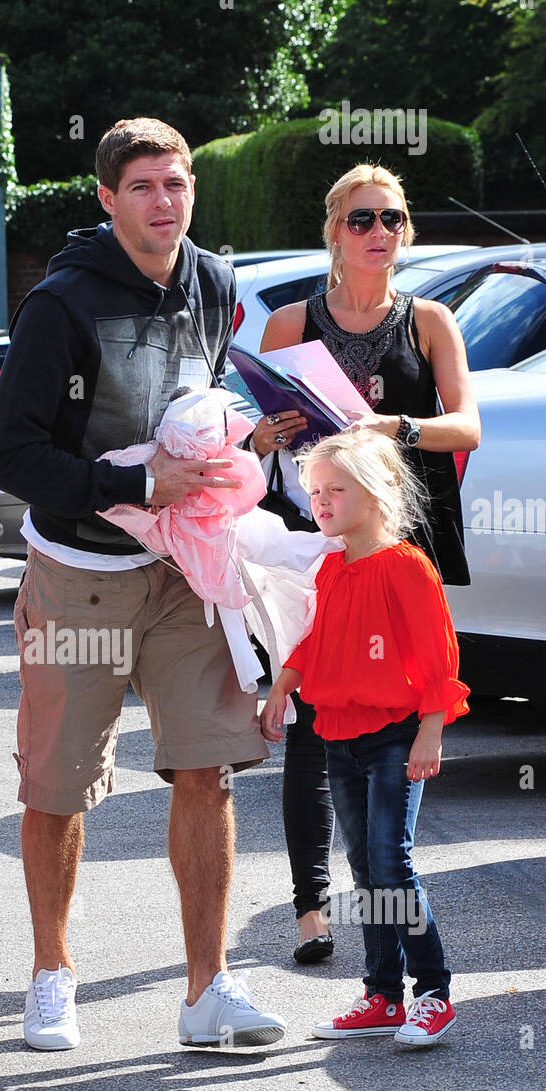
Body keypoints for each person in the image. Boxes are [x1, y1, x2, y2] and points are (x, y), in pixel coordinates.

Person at [0, 117, 285, 1052]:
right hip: (81, 576)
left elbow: (199, 402)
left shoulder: (214, 283)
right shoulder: (60, 305)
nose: (165, 202)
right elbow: (9, 454)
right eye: (145, 186)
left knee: (206, 772)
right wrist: (128, 484)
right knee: (60, 785)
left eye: (178, 183)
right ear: (107, 198)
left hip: (187, 570)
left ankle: (208, 991)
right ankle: (51, 975)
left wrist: (246, 438)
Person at [246, 163, 479, 964]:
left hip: (399, 541)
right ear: (333, 229)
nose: (379, 232)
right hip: (313, 540)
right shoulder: (289, 322)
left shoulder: (429, 320)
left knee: (392, 703)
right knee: (315, 714)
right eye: (361, 220)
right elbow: (254, 435)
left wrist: (394, 427)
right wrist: (265, 435)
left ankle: (386, 884)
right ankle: (313, 908)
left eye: (393, 219)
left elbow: (468, 427)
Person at [262, 429, 468, 1045]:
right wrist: (284, 682)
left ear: (377, 492)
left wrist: (431, 731)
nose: (320, 502)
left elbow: (439, 656)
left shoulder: (407, 566)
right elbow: (318, 638)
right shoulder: (330, 568)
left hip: (396, 738)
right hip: (338, 737)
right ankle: (382, 996)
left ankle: (433, 992)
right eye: (314, 491)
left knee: (391, 865)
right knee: (365, 870)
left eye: (334, 490)